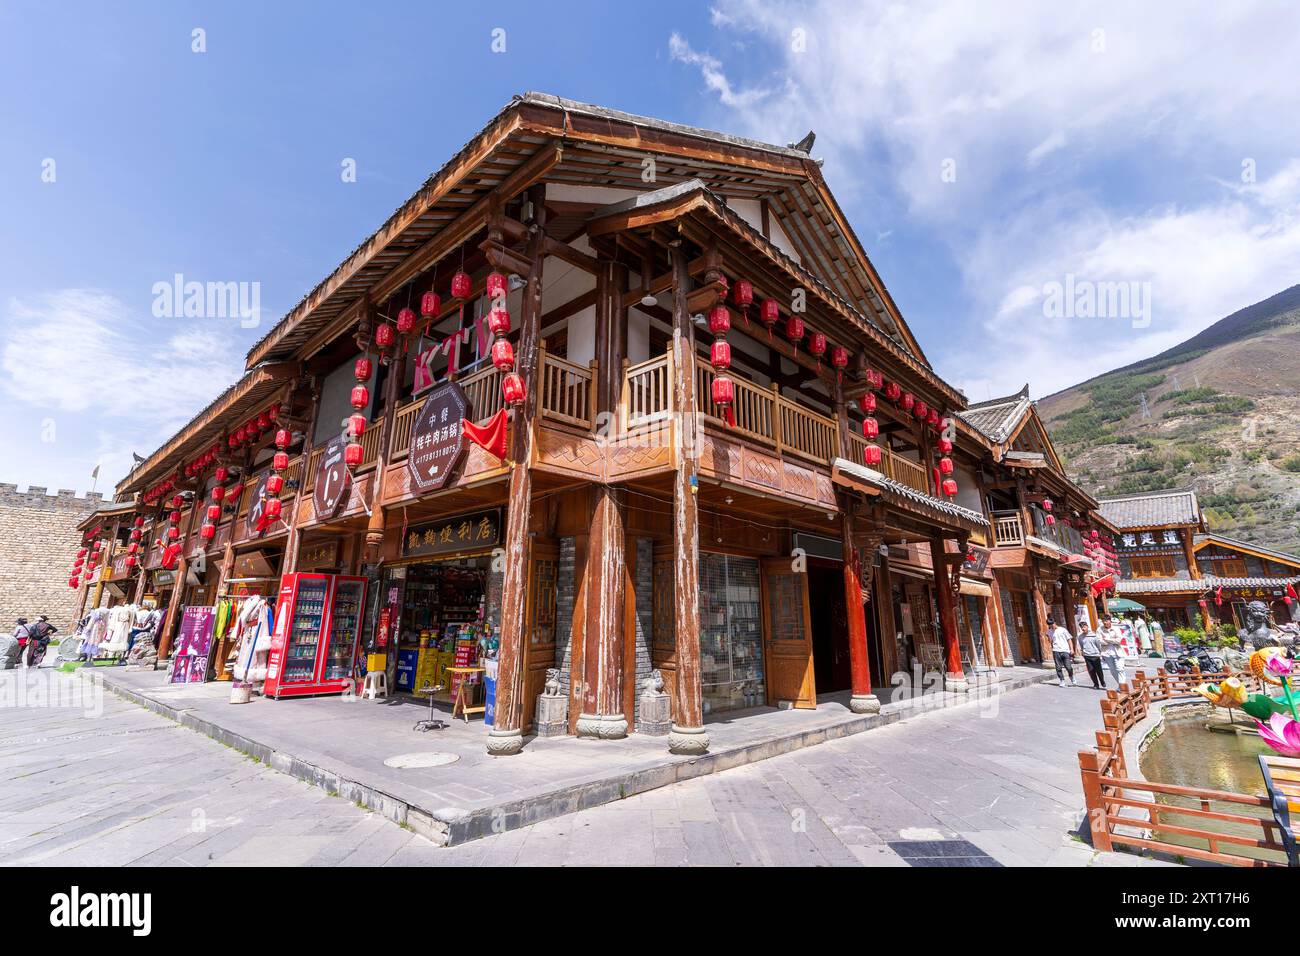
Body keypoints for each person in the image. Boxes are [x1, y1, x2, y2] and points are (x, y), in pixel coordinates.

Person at [1046, 615, 1077, 687]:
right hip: (1056, 650)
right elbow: (1050, 642)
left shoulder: (1063, 630)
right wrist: (1049, 636)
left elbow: (1069, 639)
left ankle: (1071, 677)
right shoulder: (1049, 631)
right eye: (1050, 625)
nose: (1051, 626)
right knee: (1058, 667)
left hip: (1065, 650)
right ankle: (1062, 680)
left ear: (1055, 622)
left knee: (1068, 666)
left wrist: (1071, 649)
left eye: (1052, 624)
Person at [1098, 616, 1126, 688]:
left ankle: (1123, 687)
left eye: (1106, 621)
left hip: (1118, 652)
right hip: (1107, 653)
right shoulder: (1099, 629)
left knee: (1120, 669)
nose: (1105, 622)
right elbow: (1099, 640)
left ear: (1110, 621)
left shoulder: (1116, 628)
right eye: (1103, 621)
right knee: (1113, 671)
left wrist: (1107, 639)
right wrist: (1112, 640)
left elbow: (1119, 640)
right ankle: (1121, 685)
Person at [1077, 620, 1105, 689]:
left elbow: (1098, 645)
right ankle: (1096, 684)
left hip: (1095, 655)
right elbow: (1081, 645)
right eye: (1081, 627)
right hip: (1087, 656)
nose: (1083, 628)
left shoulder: (1094, 635)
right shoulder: (1080, 637)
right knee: (1091, 671)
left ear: (1087, 627)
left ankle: (1102, 681)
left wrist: (1100, 652)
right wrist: (1083, 652)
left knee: (1099, 670)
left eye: (1084, 627)